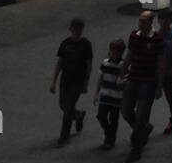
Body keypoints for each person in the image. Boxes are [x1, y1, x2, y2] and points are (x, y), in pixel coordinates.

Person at [119, 9, 166, 163]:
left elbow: (160, 63)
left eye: (143, 20)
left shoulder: (157, 39)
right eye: (140, 20)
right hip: (133, 78)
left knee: (141, 115)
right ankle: (143, 129)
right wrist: (122, 73)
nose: (140, 23)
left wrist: (159, 85)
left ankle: (136, 148)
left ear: (150, 22)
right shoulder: (134, 36)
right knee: (126, 110)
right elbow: (130, 56)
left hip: (148, 81)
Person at [50, 18, 94, 146]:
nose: (77, 31)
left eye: (80, 28)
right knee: (63, 105)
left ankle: (64, 137)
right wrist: (54, 81)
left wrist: (85, 83)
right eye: (75, 28)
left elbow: (89, 64)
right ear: (71, 29)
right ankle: (78, 115)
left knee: (68, 107)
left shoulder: (86, 44)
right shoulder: (65, 44)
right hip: (65, 80)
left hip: (77, 81)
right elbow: (60, 63)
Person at [93, 38, 126, 149]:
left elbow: (125, 81)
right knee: (101, 116)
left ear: (120, 53)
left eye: (114, 51)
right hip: (105, 95)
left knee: (114, 118)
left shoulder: (123, 65)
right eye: (111, 50)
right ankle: (109, 134)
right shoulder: (105, 63)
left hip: (117, 97)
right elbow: (100, 79)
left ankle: (111, 140)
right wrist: (96, 94)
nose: (111, 53)